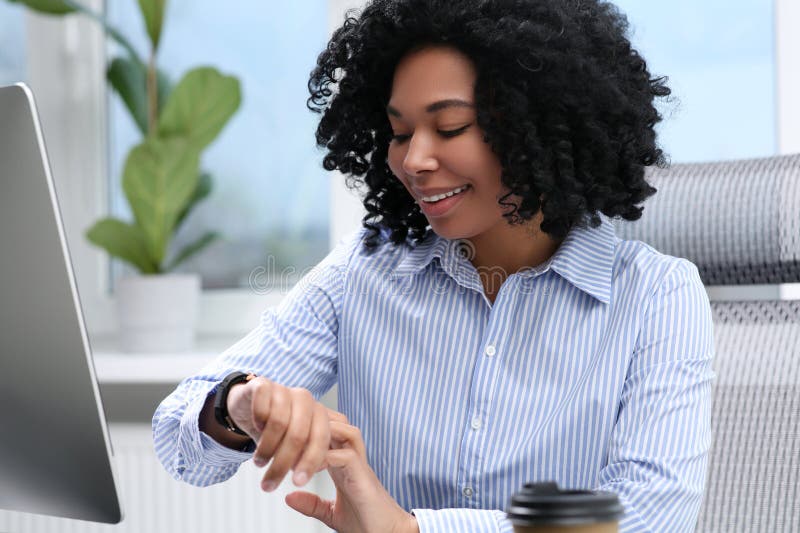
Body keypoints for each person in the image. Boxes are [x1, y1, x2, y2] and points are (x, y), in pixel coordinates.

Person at [153, 0, 715, 531]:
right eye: (399, 133)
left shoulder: (658, 297)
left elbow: (648, 517)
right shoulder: (367, 269)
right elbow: (179, 440)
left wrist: (412, 528)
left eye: (449, 128)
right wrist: (236, 404)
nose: (414, 160)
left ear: (538, 128)